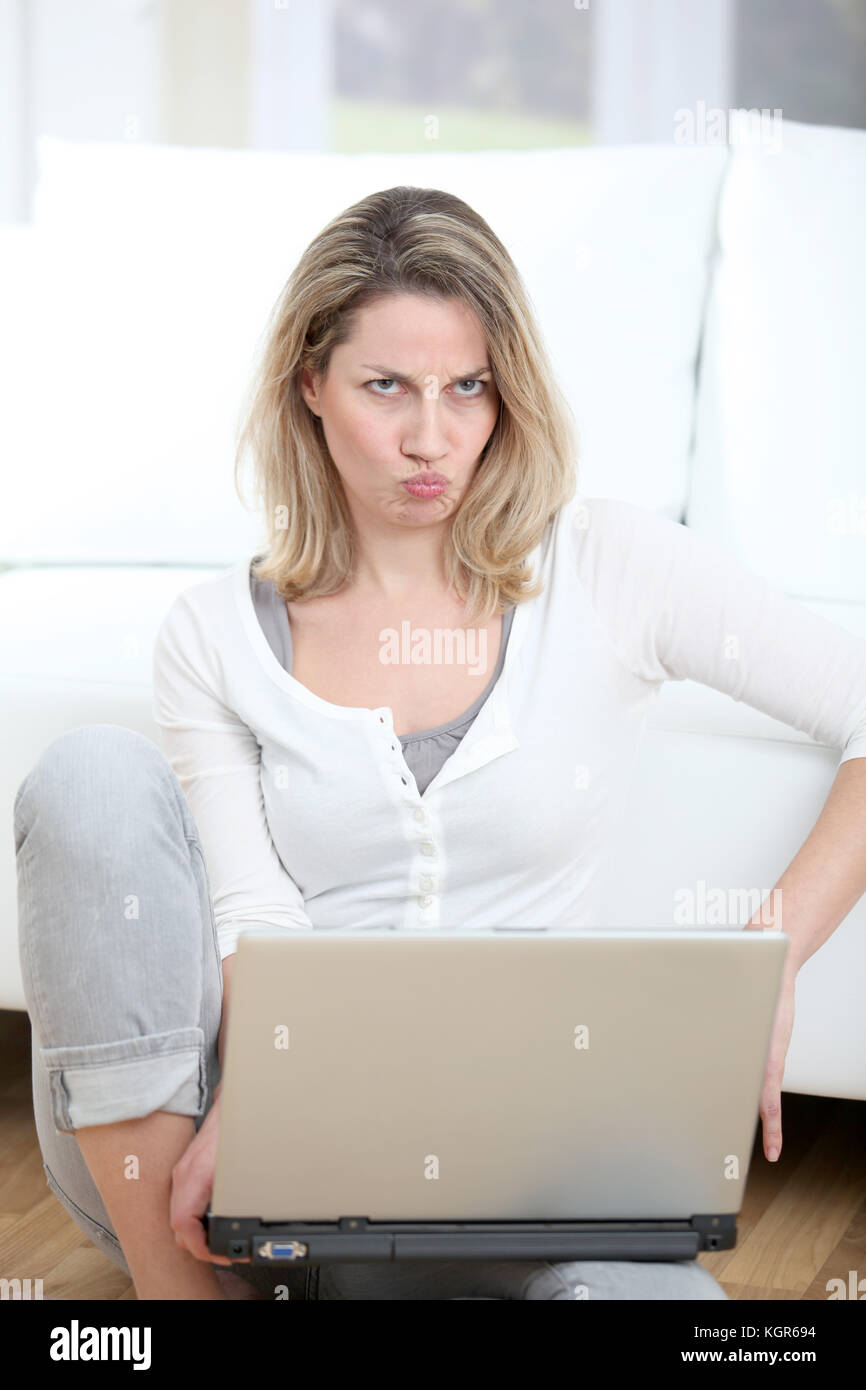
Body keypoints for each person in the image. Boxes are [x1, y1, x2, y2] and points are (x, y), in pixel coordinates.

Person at [14, 187, 866, 1301]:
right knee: (91, 776)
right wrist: (259, 1115)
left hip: (509, 1166)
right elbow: (251, 917)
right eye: (386, 388)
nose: (432, 438)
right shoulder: (213, 634)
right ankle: (191, 1298)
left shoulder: (610, 565)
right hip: (213, 1152)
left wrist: (769, 956)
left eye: (465, 387)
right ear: (307, 385)